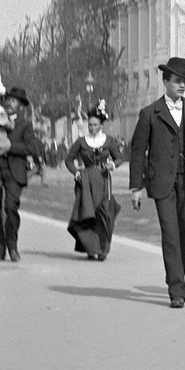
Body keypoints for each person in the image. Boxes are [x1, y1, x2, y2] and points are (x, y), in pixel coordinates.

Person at [128, 57, 185, 307]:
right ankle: (176, 290)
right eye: (177, 81)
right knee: (170, 235)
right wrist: (136, 188)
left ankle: (176, 275)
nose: (182, 85)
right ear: (165, 82)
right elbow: (137, 152)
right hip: (162, 183)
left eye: (184, 81)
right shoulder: (149, 114)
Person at [0, 83, 44, 262]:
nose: (10, 103)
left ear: (20, 106)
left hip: (14, 172)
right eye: (8, 99)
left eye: (14, 101)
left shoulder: (24, 125)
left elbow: (31, 147)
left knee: (10, 207)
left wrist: (8, 146)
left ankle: (13, 247)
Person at [65, 100, 122, 261]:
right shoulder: (82, 141)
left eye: (95, 125)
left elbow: (119, 158)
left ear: (101, 125)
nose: (91, 127)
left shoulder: (109, 140)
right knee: (88, 215)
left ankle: (103, 248)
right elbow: (68, 160)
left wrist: (112, 164)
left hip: (104, 181)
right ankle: (91, 247)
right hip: (86, 182)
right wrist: (76, 172)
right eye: (90, 124)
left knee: (105, 214)